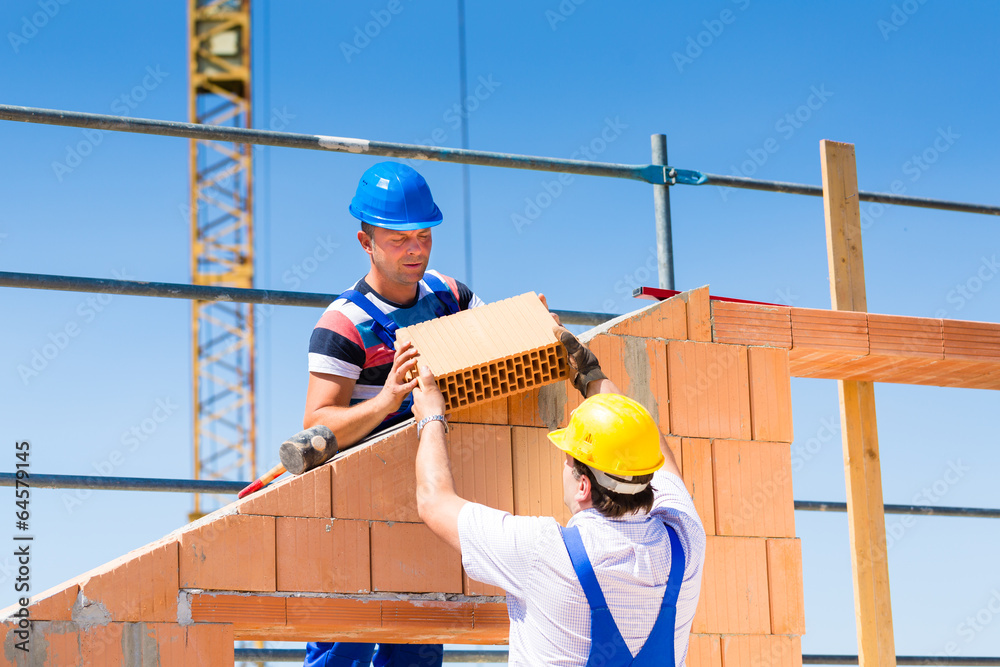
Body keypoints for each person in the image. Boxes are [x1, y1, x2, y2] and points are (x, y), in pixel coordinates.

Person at [410, 328, 706, 666]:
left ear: (583, 486)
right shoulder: (685, 540)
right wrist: (591, 376)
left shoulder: (543, 552)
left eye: (568, 459)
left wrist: (430, 415)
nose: (564, 466)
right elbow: (647, 446)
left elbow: (434, 502)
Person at [302, 161, 483, 667]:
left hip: (427, 499)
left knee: (417, 643)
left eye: (423, 236)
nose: (415, 250)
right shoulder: (343, 324)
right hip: (356, 506)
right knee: (345, 644)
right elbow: (316, 425)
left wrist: (533, 325)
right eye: (399, 239)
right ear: (366, 242)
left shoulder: (451, 297)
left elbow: (496, 345)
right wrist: (385, 401)